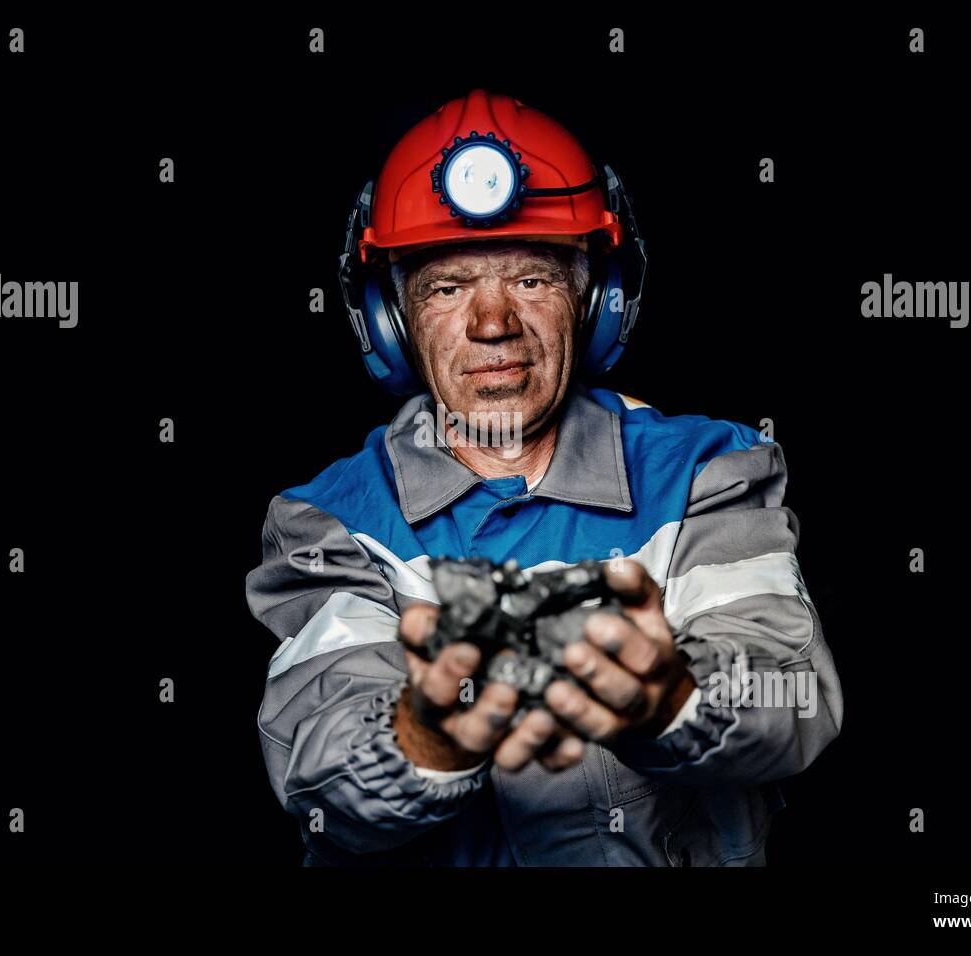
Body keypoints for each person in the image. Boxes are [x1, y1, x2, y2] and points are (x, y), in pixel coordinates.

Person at [246, 89, 842, 865]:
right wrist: (429, 733)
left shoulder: (705, 474)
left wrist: (669, 701)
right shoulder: (325, 523)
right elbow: (320, 770)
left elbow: (789, 694)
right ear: (391, 323)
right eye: (448, 288)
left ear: (598, 302)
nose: (494, 324)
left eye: (532, 280)